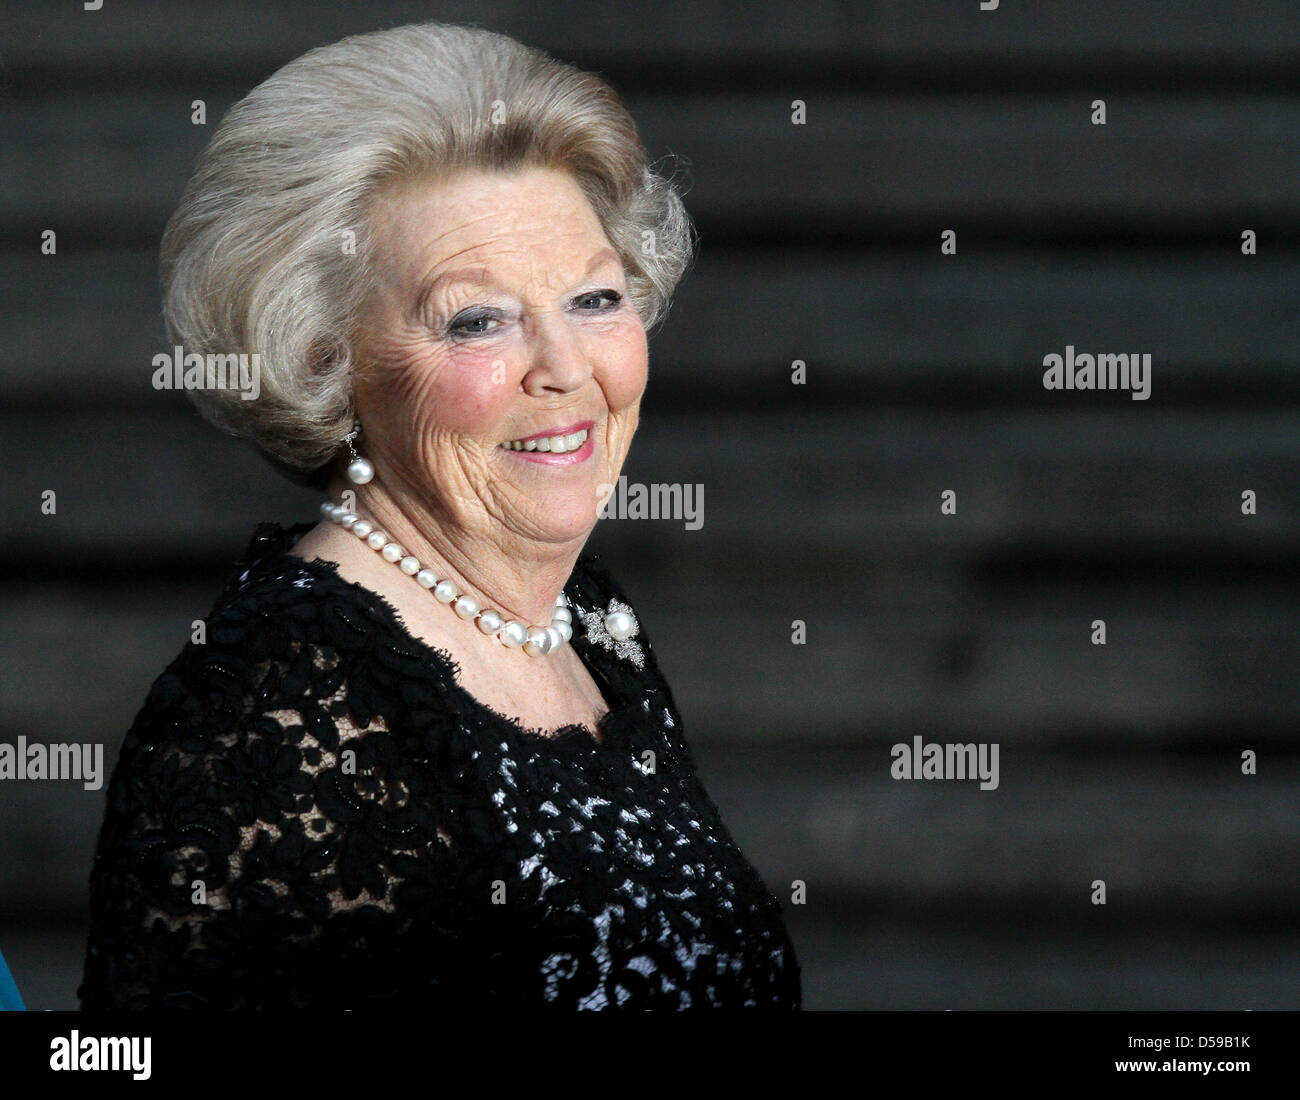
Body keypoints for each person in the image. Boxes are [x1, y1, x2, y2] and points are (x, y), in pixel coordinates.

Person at [79, 21, 801, 1009]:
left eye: (594, 297)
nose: (563, 367)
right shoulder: (273, 710)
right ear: (325, 359)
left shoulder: (587, 624)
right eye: (477, 319)